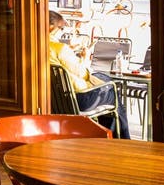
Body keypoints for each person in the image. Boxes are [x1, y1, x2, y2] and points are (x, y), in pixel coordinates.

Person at [49, 10, 130, 138]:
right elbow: (82, 73)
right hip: (77, 99)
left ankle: (110, 139)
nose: (63, 31)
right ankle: (122, 140)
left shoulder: (37, 46)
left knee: (104, 81)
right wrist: (85, 57)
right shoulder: (60, 48)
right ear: (51, 27)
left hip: (53, 100)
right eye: (61, 28)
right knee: (111, 89)